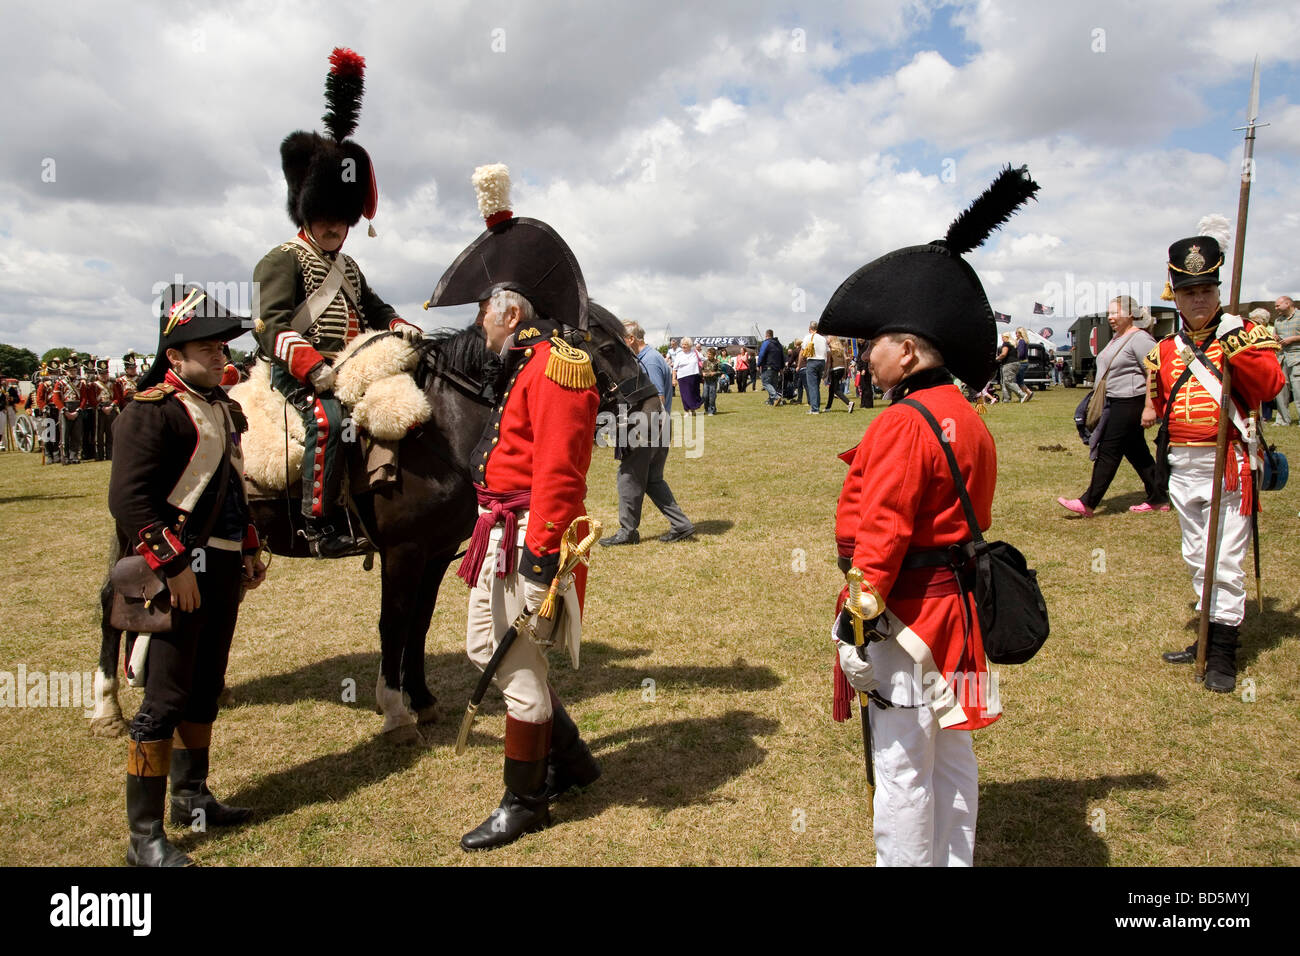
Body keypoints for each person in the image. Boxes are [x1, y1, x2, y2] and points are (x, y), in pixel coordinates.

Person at [822, 165, 1036, 866]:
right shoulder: (965, 416)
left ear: (907, 350)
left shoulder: (904, 423)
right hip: (961, 615)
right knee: (953, 752)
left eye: (875, 342)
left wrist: (856, 624)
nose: (866, 353)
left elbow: (880, 535)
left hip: (909, 615)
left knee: (903, 765)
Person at [427, 163, 602, 851]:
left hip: (532, 533)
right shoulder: (523, 365)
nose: (479, 325)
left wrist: (542, 557)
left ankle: (524, 800)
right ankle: (573, 757)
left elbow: (561, 473)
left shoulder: (560, 365)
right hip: (501, 528)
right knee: (484, 647)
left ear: (510, 311)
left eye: (483, 311)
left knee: (519, 668)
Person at [109, 284, 267, 866]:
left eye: (223, 349)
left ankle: (192, 796)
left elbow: (232, 490)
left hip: (221, 564)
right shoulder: (150, 412)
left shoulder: (222, 408)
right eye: (208, 349)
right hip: (170, 573)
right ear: (174, 355)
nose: (222, 358)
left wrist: (247, 547)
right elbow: (129, 503)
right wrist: (174, 565)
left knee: (205, 687)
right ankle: (143, 836)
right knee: (164, 700)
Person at [250, 47, 422, 557]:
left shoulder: (349, 267)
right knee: (328, 419)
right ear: (305, 212)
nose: (335, 227)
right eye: (325, 216)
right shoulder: (281, 259)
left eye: (342, 218)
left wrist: (401, 327)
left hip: (353, 367)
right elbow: (270, 324)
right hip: (298, 373)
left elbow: (375, 309)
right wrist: (310, 367)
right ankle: (317, 524)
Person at [1146, 232, 1283, 693]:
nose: (1198, 299)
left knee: (1224, 560)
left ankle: (1222, 653)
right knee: (1196, 556)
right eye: (1189, 292)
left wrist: (1238, 347)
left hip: (1229, 464)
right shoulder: (1164, 350)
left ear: (1219, 291)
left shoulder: (1244, 335)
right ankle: (1206, 634)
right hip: (1183, 466)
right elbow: (1166, 404)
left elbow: (1269, 388)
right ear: (1176, 297)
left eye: (1206, 290)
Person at [1057, 296, 1164, 516]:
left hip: (1131, 401)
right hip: (1115, 401)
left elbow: (1154, 373)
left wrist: (1149, 407)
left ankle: (1088, 502)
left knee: (1108, 450)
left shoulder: (1141, 339)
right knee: (1136, 451)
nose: (1110, 318)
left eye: (1115, 313)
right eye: (1109, 314)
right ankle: (1159, 496)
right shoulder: (1117, 338)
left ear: (1130, 314)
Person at [602, 321, 695, 547]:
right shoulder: (648, 358)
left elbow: (657, 399)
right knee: (653, 480)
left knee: (628, 476)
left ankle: (627, 531)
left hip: (649, 424)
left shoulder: (649, 361)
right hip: (658, 425)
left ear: (631, 339)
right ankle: (681, 524)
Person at [1274, 295, 1300, 425]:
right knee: (1281, 390)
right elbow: (1274, 335)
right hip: (1282, 358)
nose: (1276, 308)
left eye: (1278, 305)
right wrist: (1276, 339)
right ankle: (1283, 420)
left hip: (1297, 358)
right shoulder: (1278, 321)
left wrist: (1293, 339)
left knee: (1298, 389)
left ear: (1288, 304)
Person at [90, 359, 117, 460]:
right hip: (99, 409)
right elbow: (91, 398)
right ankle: (99, 455)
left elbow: (117, 397)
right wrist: (101, 407)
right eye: (102, 374)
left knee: (111, 433)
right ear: (98, 374)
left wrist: (111, 406)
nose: (104, 376)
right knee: (99, 434)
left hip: (110, 408)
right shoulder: (94, 385)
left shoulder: (112, 384)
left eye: (105, 373)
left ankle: (110, 454)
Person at [801, 321, 828, 414]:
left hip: (812, 361)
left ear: (810, 329)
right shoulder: (823, 338)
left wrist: (800, 363)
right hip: (822, 362)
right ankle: (816, 405)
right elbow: (827, 352)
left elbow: (803, 350)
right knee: (816, 385)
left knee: (812, 386)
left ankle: (814, 408)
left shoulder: (808, 337)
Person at [671, 336, 702, 414]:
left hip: (694, 376)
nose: (683, 346)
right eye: (682, 344)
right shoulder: (679, 354)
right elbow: (675, 368)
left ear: (690, 345)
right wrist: (674, 379)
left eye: (685, 344)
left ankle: (693, 409)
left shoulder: (695, 352)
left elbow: (703, 359)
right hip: (683, 377)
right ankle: (686, 411)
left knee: (694, 393)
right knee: (685, 394)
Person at [996, 334, 1027, 403]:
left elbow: (1004, 354)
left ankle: (1022, 395)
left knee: (1008, 381)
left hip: (1009, 364)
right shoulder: (1013, 345)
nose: (1002, 339)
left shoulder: (1006, 344)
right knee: (1005, 382)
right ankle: (1006, 399)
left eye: (1003, 337)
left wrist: (996, 359)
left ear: (1007, 337)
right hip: (1016, 364)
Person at [757, 330, 784, 405]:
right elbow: (782, 356)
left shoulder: (766, 343)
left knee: (766, 383)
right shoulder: (779, 344)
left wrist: (758, 364)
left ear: (766, 335)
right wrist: (782, 367)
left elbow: (761, 355)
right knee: (773, 385)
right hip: (776, 368)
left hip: (768, 366)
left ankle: (776, 397)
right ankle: (772, 401)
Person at [1014, 327, 1034, 400]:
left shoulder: (1021, 341)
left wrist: (1015, 357)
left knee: (1018, 381)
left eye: (1017, 333)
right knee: (1019, 380)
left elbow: (1021, 353)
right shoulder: (1024, 341)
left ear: (1020, 333)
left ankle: (1027, 393)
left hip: (1021, 363)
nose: (1015, 334)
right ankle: (1027, 394)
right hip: (1024, 362)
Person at [700, 346, 720, 415]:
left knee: (712, 396)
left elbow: (720, 371)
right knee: (705, 396)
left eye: (710, 354)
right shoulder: (705, 362)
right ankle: (706, 409)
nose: (708, 355)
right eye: (707, 354)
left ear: (714, 355)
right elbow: (702, 369)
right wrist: (702, 373)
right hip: (706, 381)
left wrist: (714, 373)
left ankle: (711, 410)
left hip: (713, 382)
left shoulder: (717, 362)